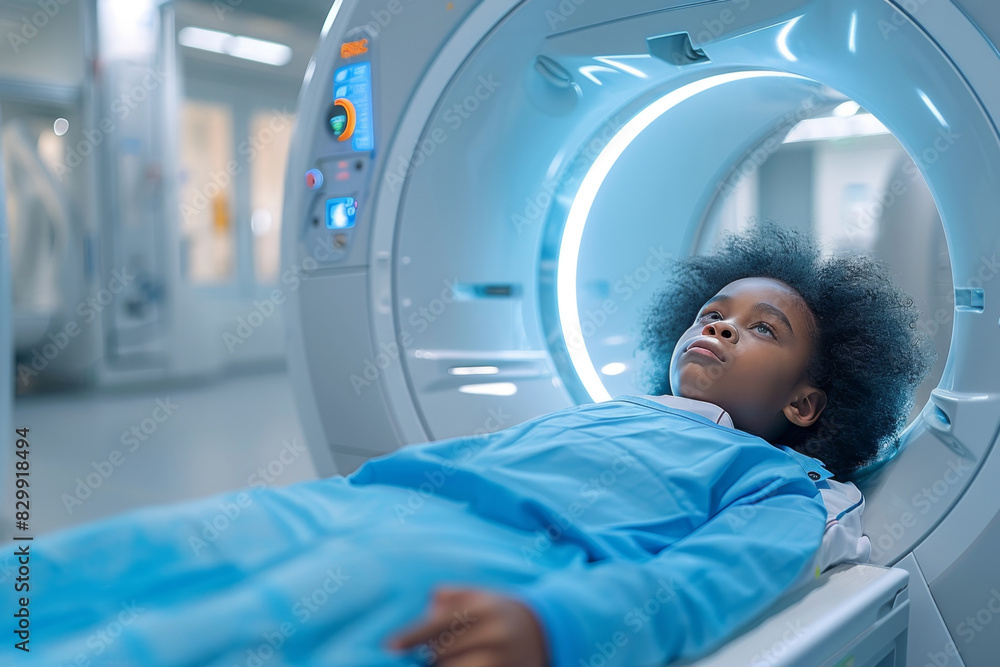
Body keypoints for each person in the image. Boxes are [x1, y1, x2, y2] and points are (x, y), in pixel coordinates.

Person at [15, 222, 934, 667]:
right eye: (711, 311)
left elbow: (706, 581)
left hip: (468, 561)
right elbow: (471, 463)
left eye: (760, 328)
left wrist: (558, 626)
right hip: (358, 506)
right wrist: (354, 495)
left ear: (811, 402)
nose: (721, 328)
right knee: (123, 553)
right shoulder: (605, 409)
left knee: (197, 633)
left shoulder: (784, 482)